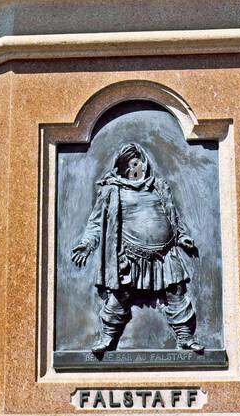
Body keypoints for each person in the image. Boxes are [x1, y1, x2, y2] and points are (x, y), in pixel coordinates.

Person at [71, 141, 203, 356]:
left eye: (136, 163)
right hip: (130, 254)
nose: (133, 169)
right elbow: (96, 222)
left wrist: (183, 237)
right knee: (120, 295)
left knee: (176, 292)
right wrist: (86, 244)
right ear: (121, 168)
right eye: (127, 166)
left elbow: (173, 215)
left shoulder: (159, 186)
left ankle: (186, 338)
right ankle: (107, 338)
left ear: (144, 163)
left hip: (165, 253)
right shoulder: (112, 190)